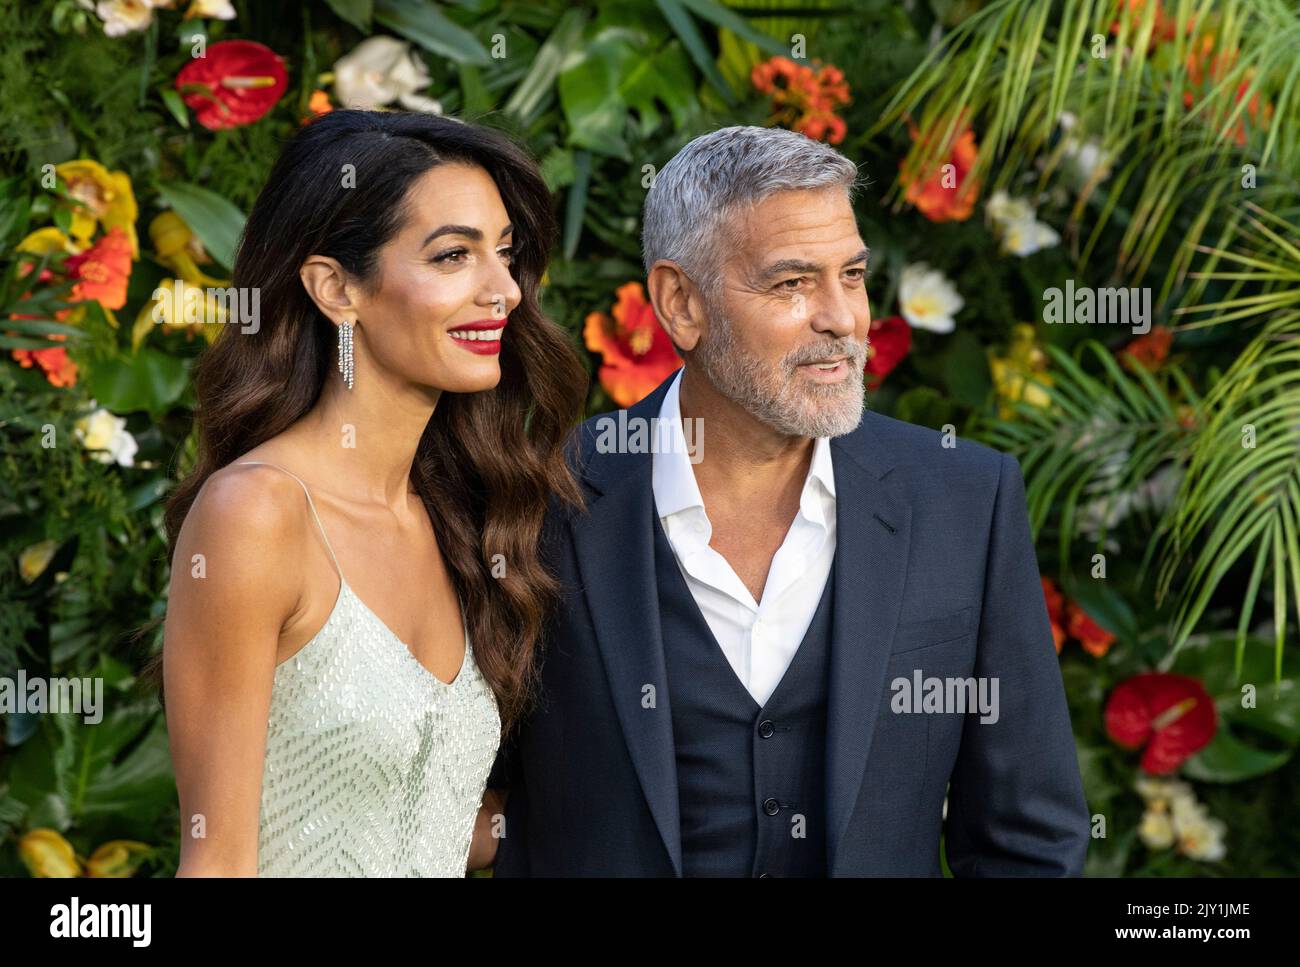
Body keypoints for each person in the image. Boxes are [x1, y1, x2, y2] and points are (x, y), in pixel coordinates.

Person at [488, 125, 1090, 877]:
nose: (843, 317)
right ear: (680, 303)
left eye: (854, 274)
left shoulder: (965, 499)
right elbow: (470, 800)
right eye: (793, 283)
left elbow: (1029, 840)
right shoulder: (541, 496)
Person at [158, 110, 585, 876]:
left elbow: (426, 818)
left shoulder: (464, 519)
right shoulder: (257, 513)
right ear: (335, 288)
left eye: (506, 253)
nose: (505, 292)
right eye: (454, 256)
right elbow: (217, 859)